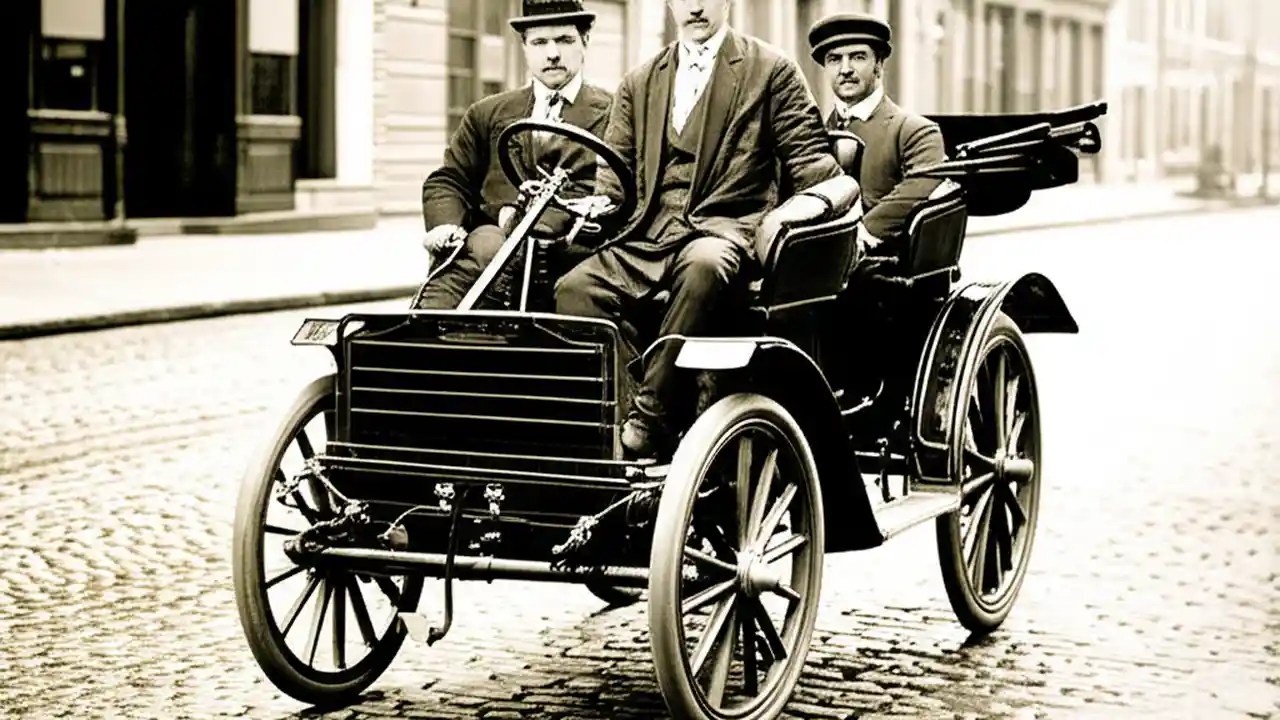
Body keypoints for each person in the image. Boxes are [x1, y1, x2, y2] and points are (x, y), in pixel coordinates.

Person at [555, 0, 844, 457]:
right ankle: (627, 420)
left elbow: (813, 164)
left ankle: (649, 417)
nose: (694, 7)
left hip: (723, 231)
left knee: (704, 266)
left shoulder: (771, 70)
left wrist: (818, 207)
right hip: (647, 236)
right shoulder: (639, 80)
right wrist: (592, 208)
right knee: (576, 289)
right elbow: (613, 184)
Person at [415, 0, 612, 310]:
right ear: (524, 47)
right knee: (451, 289)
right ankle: (421, 332)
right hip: (490, 255)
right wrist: (445, 225)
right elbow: (449, 180)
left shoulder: (618, 115)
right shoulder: (487, 113)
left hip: (572, 259)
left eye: (564, 40)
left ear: (585, 42)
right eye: (539, 42)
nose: (552, 54)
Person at [807, 13, 947, 253]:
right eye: (834, 59)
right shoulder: (813, 134)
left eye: (858, 57)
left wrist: (860, 233)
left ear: (879, 65)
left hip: (884, 263)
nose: (845, 69)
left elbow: (920, 186)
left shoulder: (916, 131)